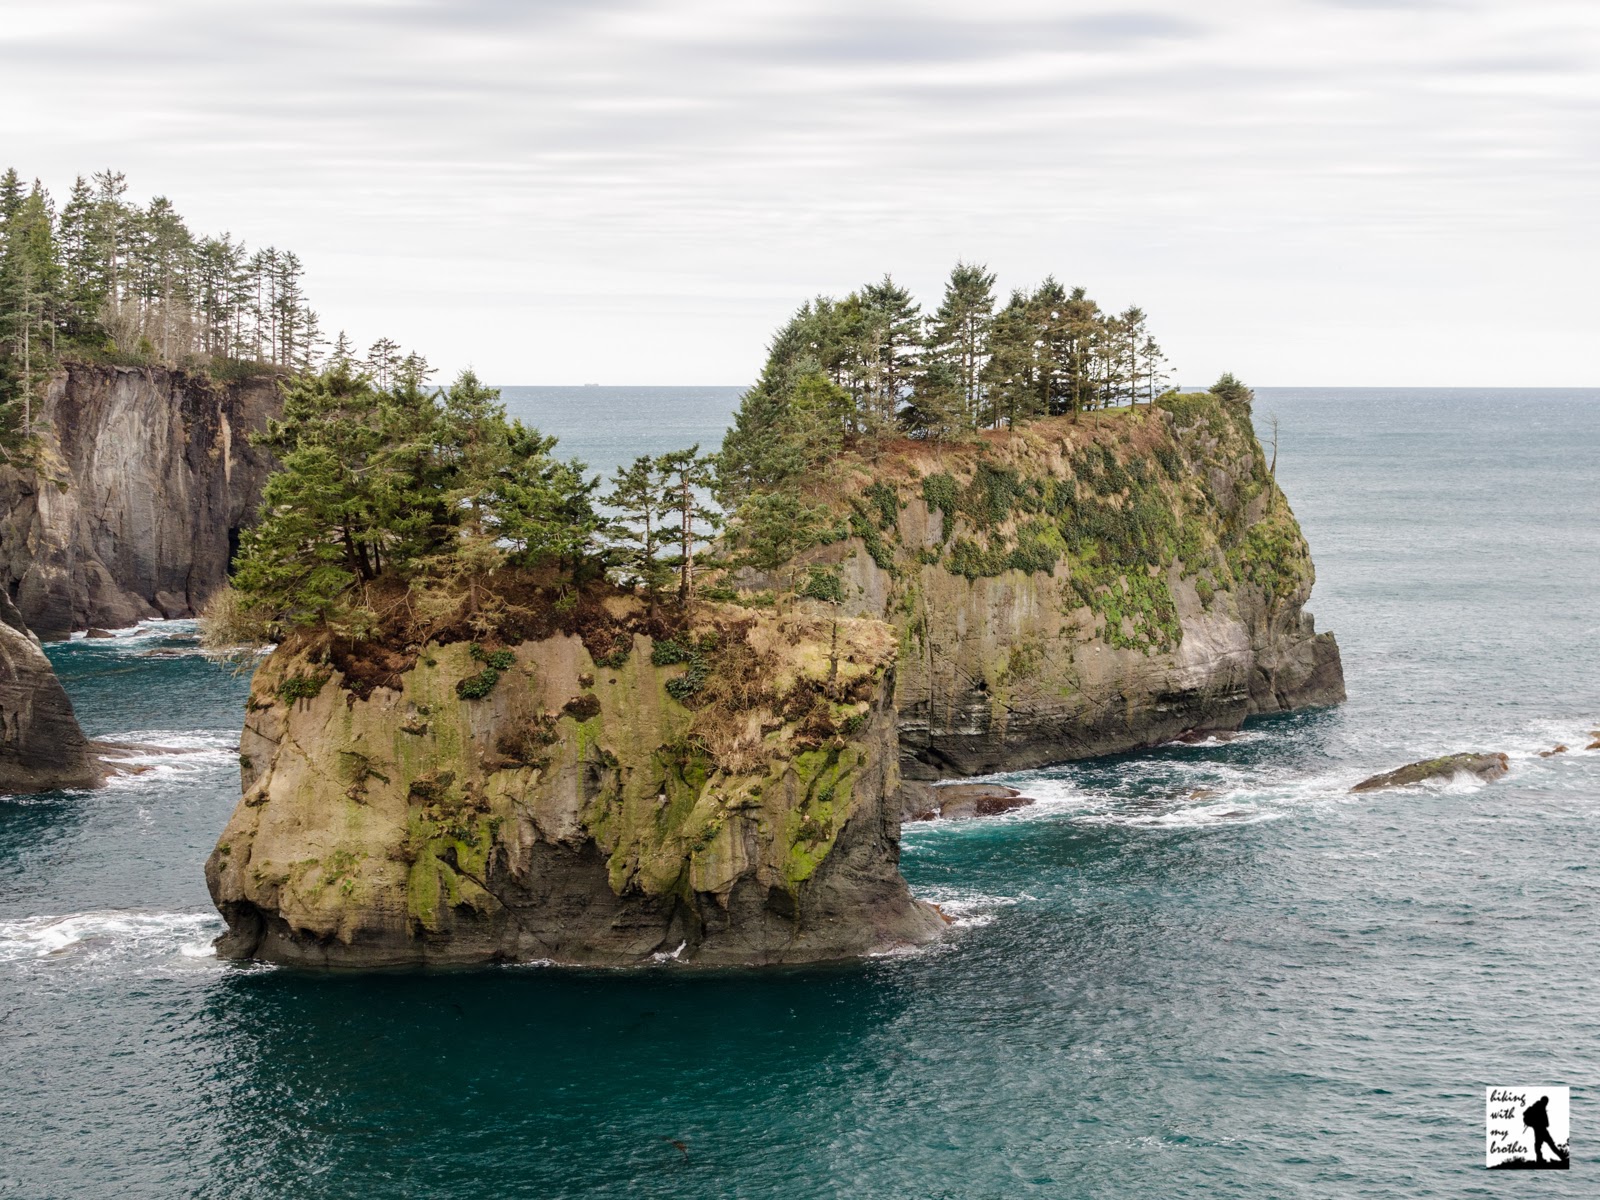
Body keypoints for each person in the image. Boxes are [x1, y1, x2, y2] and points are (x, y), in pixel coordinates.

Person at [1523, 1095, 1565, 1165]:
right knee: (1550, 1145)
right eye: (1546, 1102)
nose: (1547, 1103)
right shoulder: (1540, 1108)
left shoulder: (1535, 1107)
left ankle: (1539, 1160)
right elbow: (1546, 1123)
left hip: (1537, 1129)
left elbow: (1525, 1114)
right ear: (1545, 1101)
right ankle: (1563, 1158)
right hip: (1542, 1130)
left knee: (1538, 1146)